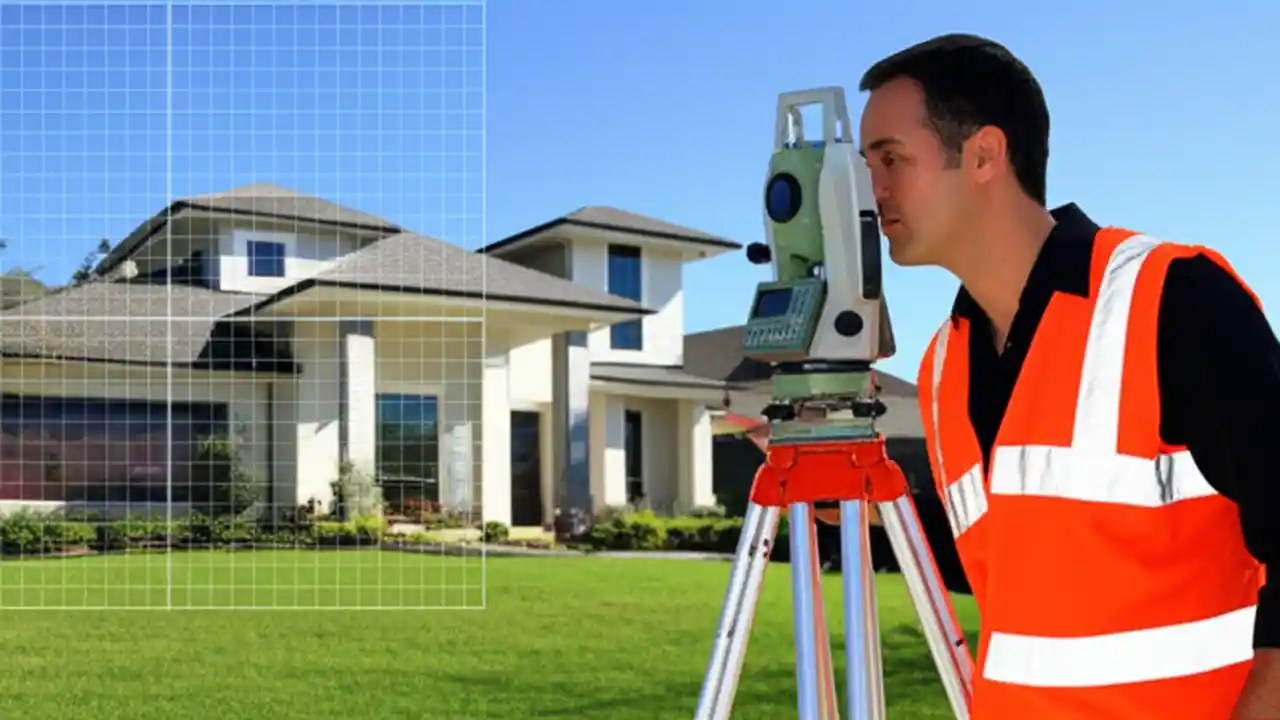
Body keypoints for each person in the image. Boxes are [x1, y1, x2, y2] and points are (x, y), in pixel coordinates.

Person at [855, 34, 1280, 718]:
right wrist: (873, 511)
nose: (872, 192)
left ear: (985, 155)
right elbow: (1017, 566)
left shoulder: (1171, 299)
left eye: (891, 160)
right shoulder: (942, 366)